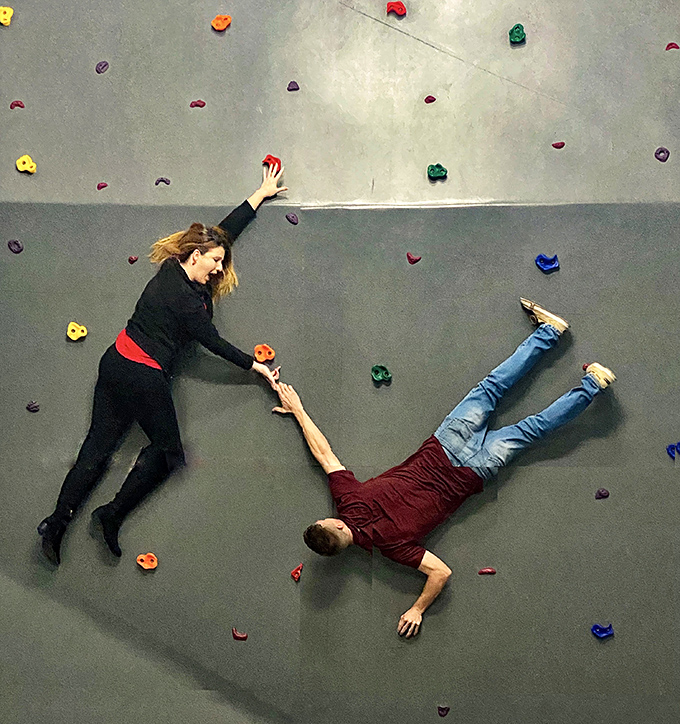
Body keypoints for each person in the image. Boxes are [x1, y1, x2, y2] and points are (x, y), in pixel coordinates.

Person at [272, 298, 616, 638]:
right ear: (332, 523)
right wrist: (298, 409)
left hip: (475, 473)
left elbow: (440, 572)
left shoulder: (393, 548)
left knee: (533, 429)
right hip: (445, 446)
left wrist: (417, 608)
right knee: (492, 389)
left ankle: (594, 383)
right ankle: (550, 333)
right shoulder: (348, 499)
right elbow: (324, 454)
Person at [37, 163, 288, 566]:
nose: (220, 268)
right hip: (142, 376)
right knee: (170, 453)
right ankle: (111, 514)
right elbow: (211, 340)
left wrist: (258, 196)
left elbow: (221, 233)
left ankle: (56, 524)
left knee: (96, 450)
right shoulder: (186, 301)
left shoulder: (174, 267)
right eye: (216, 261)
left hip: (116, 361)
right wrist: (252, 366)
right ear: (196, 256)